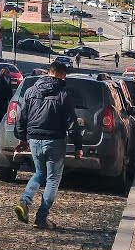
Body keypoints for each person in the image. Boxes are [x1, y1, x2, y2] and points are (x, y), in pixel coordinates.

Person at [13, 60, 83, 229]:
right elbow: (71, 123)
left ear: (48, 72)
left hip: (34, 139)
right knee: (53, 179)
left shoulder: (30, 91)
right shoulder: (63, 95)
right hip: (55, 141)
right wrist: (78, 146)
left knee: (39, 173)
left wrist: (22, 139)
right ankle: (41, 217)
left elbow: (21, 118)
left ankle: (25, 201)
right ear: (61, 75)